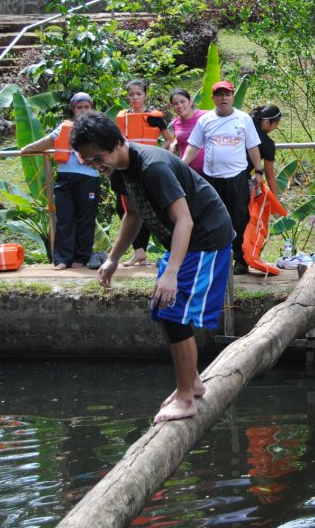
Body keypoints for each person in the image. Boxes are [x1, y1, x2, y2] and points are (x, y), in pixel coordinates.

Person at [70, 111, 233, 424]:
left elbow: (184, 219)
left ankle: (186, 398)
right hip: (183, 238)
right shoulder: (119, 169)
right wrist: (113, 258)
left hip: (204, 236)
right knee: (161, 307)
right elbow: (134, 214)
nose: (95, 166)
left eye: (97, 158)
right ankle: (192, 383)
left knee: (173, 310)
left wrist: (171, 272)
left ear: (117, 143)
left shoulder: (153, 167)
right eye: (88, 161)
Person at [181, 80, 264, 275]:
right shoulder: (205, 120)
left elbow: (252, 147)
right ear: (213, 98)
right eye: (219, 95)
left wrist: (259, 171)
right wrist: (181, 166)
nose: (224, 98)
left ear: (233, 97)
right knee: (211, 218)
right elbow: (194, 145)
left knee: (239, 217)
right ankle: (214, 259)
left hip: (236, 177)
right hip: (211, 177)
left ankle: (241, 260)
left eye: (227, 94)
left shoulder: (243, 119)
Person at [20, 91, 100, 270]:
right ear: (73, 109)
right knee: (64, 218)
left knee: (85, 219)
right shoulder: (65, 126)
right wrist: (27, 148)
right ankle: (63, 259)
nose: (83, 110)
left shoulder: (98, 126)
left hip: (89, 179)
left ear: (92, 108)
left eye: (87, 107)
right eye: (79, 107)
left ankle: (81, 258)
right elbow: (48, 141)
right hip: (65, 178)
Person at [116, 79, 174, 266]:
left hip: (146, 166)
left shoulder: (154, 117)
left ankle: (171, 249)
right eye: (131, 94)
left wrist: (156, 152)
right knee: (124, 208)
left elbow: (169, 140)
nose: (135, 98)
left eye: (138, 94)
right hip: (124, 167)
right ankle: (139, 251)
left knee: (149, 208)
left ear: (145, 95)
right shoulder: (121, 117)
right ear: (127, 96)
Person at [168, 89, 207, 175]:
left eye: (183, 101)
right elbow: (182, 137)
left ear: (190, 102)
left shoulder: (206, 116)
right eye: (175, 103)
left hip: (209, 170)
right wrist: (174, 143)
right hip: (187, 170)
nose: (180, 106)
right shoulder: (175, 123)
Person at [250, 104, 282, 198]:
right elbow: (269, 174)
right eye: (275, 124)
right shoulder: (267, 143)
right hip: (240, 179)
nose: (275, 128)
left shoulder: (244, 126)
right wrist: (275, 199)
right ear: (267, 122)